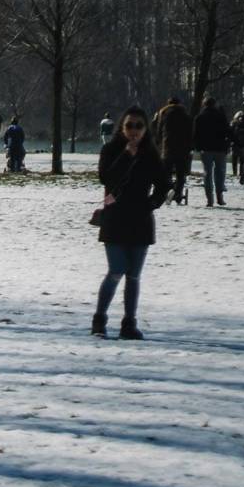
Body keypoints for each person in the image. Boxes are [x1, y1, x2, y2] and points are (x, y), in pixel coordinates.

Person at [93, 106, 171, 340]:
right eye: (129, 125)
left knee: (134, 275)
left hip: (140, 220)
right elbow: (106, 177)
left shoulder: (150, 154)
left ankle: (129, 323)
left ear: (146, 129)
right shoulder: (111, 150)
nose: (134, 130)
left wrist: (152, 203)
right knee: (116, 270)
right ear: (122, 127)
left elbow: (163, 184)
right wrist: (127, 154)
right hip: (115, 218)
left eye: (139, 126)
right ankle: (99, 320)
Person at [191, 96, 230, 206]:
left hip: (206, 149)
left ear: (204, 105)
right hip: (220, 149)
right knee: (220, 173)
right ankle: (220, 197)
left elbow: (195, 135)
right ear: (214, 104)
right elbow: (228, 131)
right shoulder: (221, 116)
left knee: (207, 174)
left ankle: (210, 199)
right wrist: (237, 143)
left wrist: (196, 146)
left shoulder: (199, 117)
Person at [155, 96, 192, 204]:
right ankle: (178, 193)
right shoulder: (185, 114)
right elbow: (190, 131)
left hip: (167, 148)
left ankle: (168, 190)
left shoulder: (163, 113)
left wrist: (158, 141)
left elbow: (159, 129)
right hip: (182, 149)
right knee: (181, 174)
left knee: (167, 172)